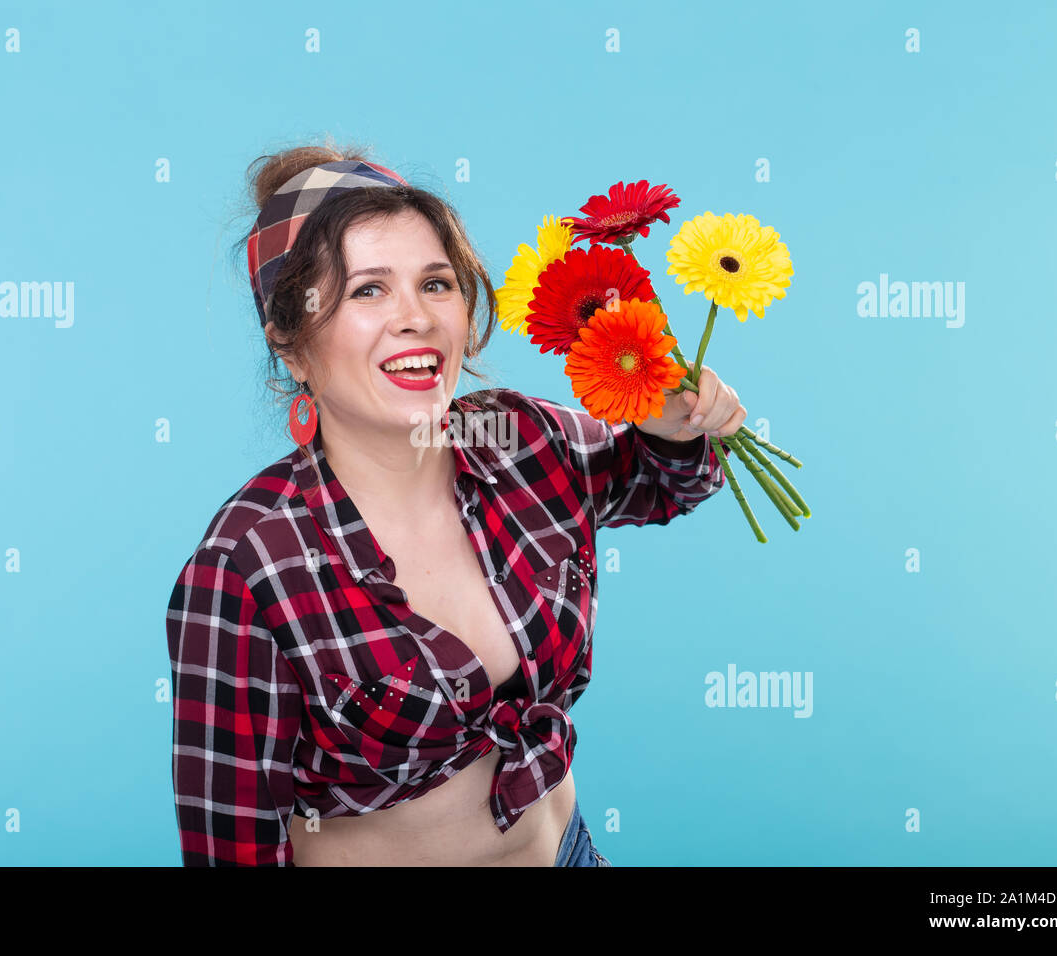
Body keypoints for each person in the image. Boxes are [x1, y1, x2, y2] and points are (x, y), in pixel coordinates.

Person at [165, 140, 746, 866]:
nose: (415, 317)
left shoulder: (519, 437)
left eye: (435, 283)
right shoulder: (247, 565)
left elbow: (665, 483)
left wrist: (676, 422)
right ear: (291, 345)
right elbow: (233, 851)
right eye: (366, 290)